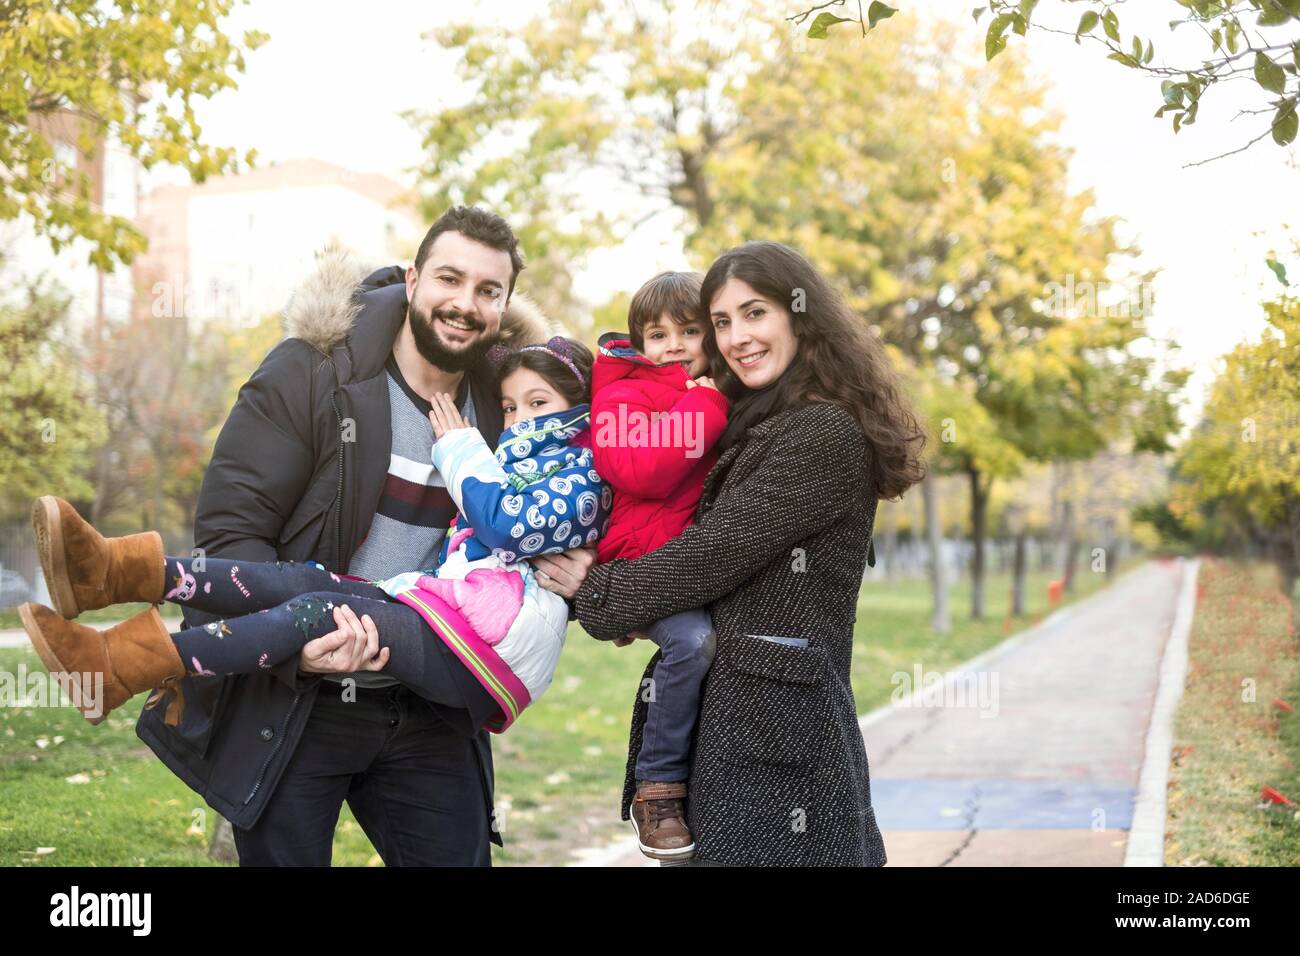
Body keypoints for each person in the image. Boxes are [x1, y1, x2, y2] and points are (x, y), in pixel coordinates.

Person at [133, 204, 595, 866]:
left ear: (505, 305)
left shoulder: (512, 406)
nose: (465, 304)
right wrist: (296, 651)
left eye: (488, 291)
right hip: (300, 699)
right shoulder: (312, 373)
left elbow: (562, 522)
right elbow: (231, 534)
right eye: (449, 279)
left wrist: (588, 582)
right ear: (412, 280)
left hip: (432, 699)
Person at [20, 336, 607, 740]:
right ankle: (113, 572)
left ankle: (120, 667)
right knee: (309, 581)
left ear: (578, 410)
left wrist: (458, 448)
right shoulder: (521, 461)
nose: (517, 421)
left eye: (538, 404)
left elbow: (506, 521)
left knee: (315, 610)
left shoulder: (583, 476)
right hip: (458, 617)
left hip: (491, 654)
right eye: (507, 407)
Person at [574, 240, 928, 866]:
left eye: (755, 313)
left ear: (800, 315)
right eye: (722, 322)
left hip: (782, 743)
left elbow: (712, 554)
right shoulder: (749, 418)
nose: (738, 336)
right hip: (728, 731)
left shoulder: (822, 432)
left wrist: (599, 592)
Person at [588, 271, 730, 861]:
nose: (673, 345)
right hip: (640, 562)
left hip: (690, 561)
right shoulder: (622, 395)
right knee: (692, 644)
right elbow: (646, 472)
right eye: (656, 334)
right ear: (637, 343)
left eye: (689, 330)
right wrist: (709, 399)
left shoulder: (718, 391)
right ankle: (658, 788)